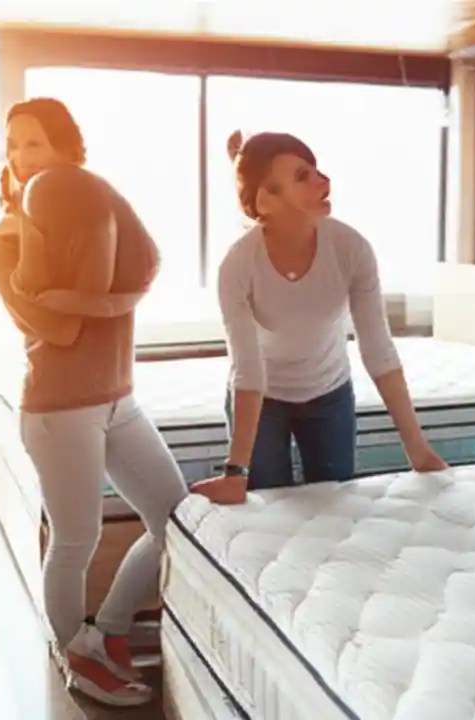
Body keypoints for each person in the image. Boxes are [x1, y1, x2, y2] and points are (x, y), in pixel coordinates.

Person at [0, 97, 188, 707]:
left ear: (68, 152)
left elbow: (143, 270)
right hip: (58, 407)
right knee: (75, 539)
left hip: (119, 399)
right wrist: (107, 299)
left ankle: (112, 630)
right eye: (13, 145)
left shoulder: (94, 209)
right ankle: (73, 652)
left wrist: (107, 292)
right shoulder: (2, 244)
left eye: (35, 144)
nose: (20, 157)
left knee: (172, 517)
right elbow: (61, 329)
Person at [192, 131, 448, 504]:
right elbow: (248, 370)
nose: (323, 181)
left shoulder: (351, 248)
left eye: (316, 171)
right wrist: (236, 473)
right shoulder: (238, 265)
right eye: (302, 176)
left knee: (335, 506)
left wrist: (418, 450)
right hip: (264, 401)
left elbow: (378, 350)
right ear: (266, 200)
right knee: (269, 510)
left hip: (329, 394)